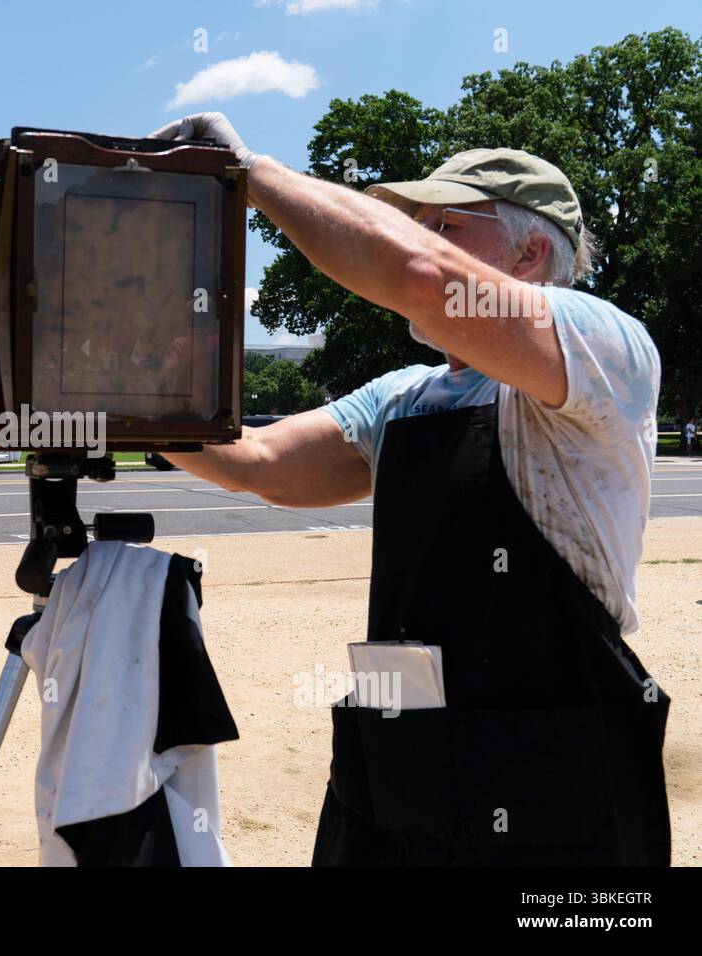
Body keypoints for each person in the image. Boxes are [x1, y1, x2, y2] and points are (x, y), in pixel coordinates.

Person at [150, 113, 670, 865]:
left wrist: (247, 173)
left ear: (529, 253)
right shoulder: (406, 397)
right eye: (418, 225)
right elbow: (257, 460)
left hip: (549, 784)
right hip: (398, 763)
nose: (419, 240)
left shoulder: (605, 345)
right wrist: (122, 404)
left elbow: (424, 281)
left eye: (443, 225)